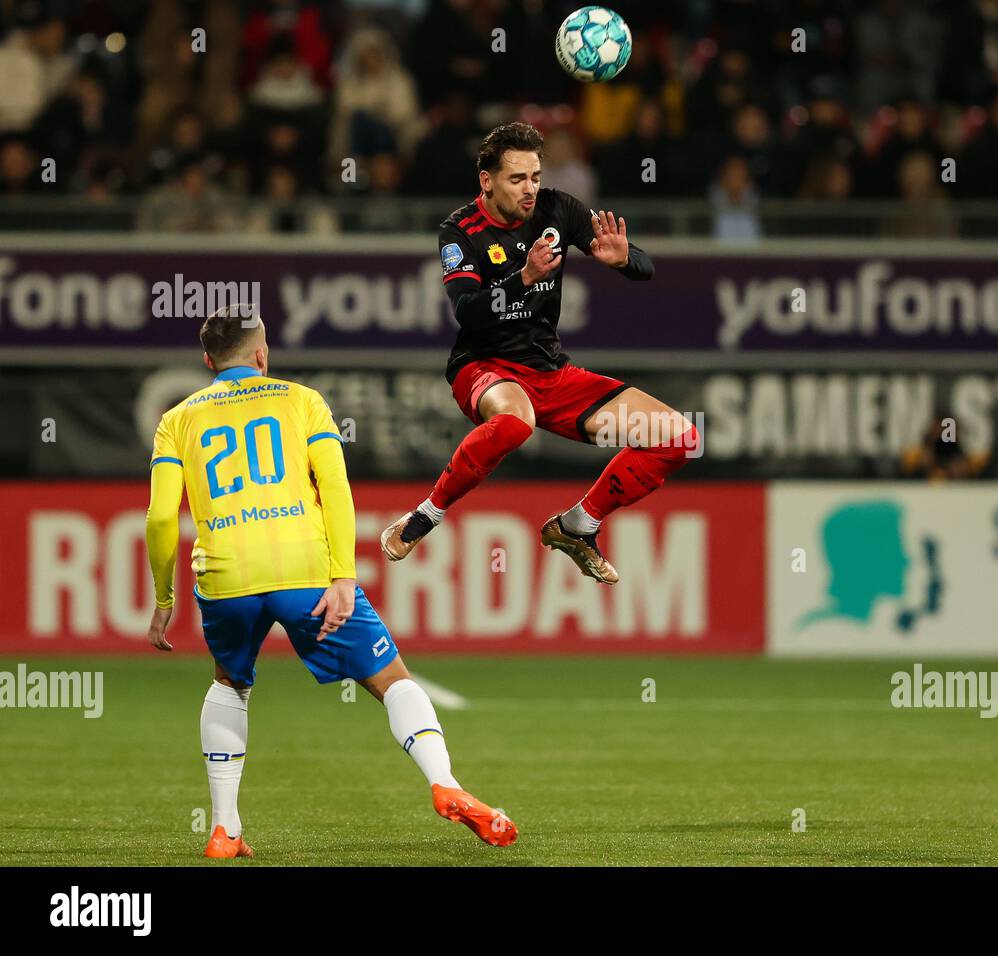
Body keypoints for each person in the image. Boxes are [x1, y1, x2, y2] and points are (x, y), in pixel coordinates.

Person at [144, 305, 516, 858]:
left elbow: (158, 518)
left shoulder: (177, 419)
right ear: (262, 355)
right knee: (392, 680)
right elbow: (337, 492)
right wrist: (344, 574)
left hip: (226, 573)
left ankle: (225, 829)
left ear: (207, 362)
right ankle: (446, 785)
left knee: (229, 682)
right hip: (305, 570)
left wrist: (164, 598)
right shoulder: (302, 401)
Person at [380, 122, 700, 585]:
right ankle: (426, 515)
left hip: (553, 374)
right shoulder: (459, 230)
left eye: (535, 176)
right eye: (517, 179)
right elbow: (468, 312)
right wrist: (523, 279)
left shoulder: (558, 208)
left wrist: (624, 260)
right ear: (486, 180)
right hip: (484, 368)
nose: (530, 190)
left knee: (679, 437)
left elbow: (644, 266)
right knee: (515, 421)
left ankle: (578, 526)